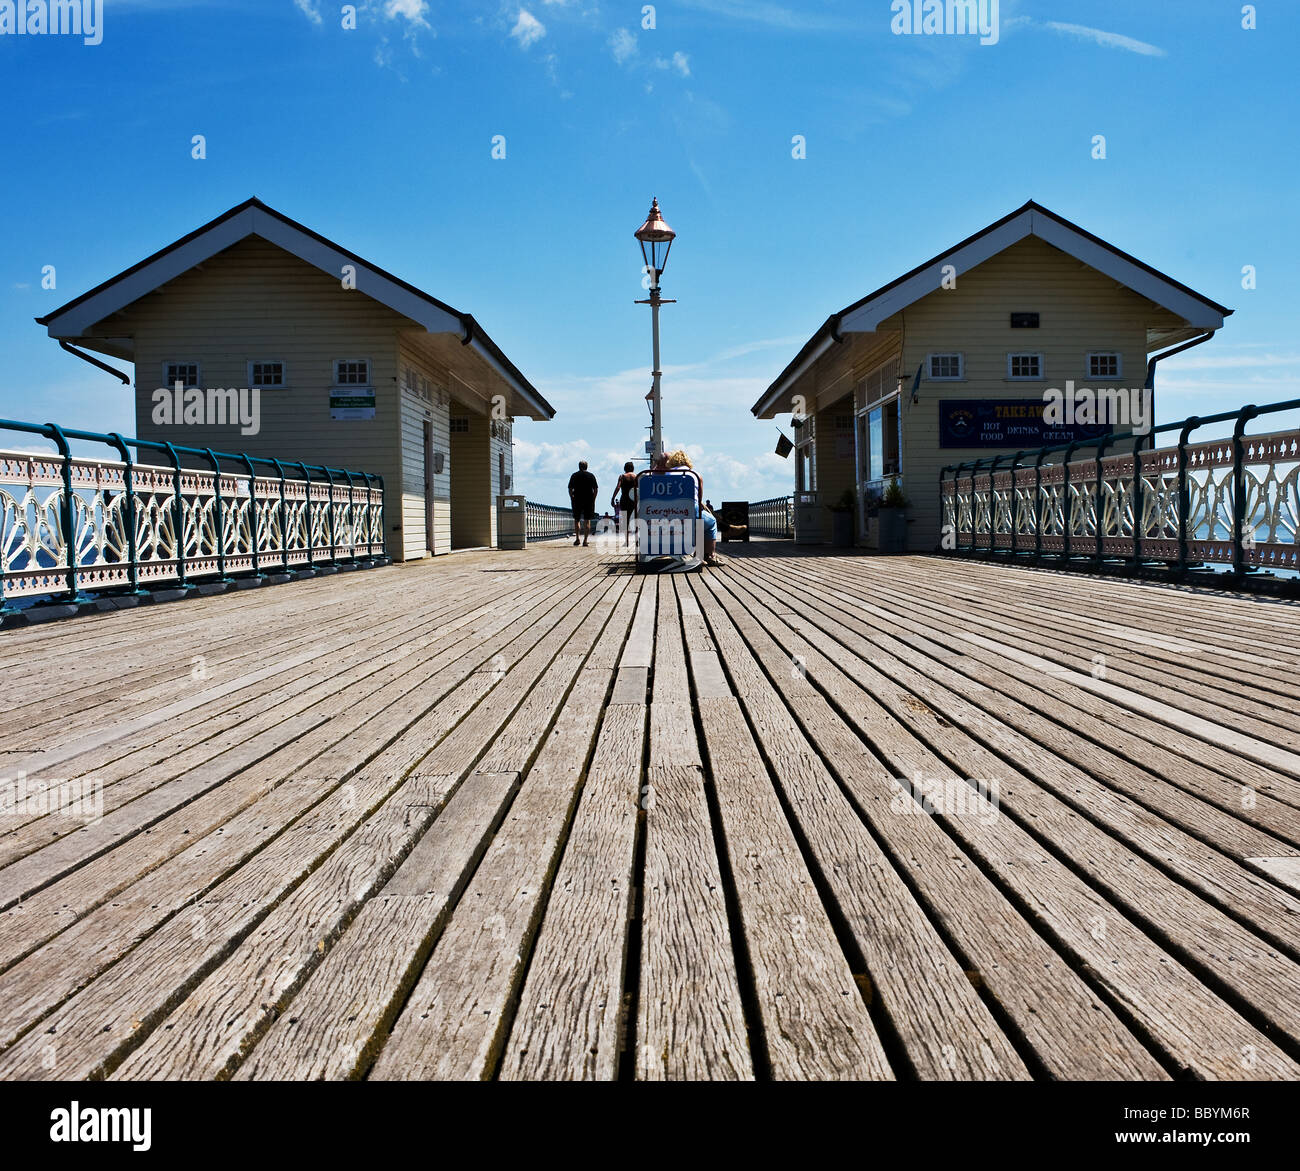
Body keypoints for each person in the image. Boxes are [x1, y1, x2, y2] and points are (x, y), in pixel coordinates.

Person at [567, 460, 598, 547]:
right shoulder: (591, 475)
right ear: (586, 467)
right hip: (588, 500)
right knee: (587, 520)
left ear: (579, 466)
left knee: (576, 520)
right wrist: (593, 499)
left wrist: (572, 498)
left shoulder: (574, 475)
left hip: (577, 499)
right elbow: (595, 489)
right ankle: (585, 540)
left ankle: (577, 539)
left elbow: (570, 488)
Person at [612, 461, 638, 548]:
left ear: (625, 468)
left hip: (624, 499)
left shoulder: (622, 476)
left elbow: (618, 487)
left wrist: (613, 498)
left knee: (625, 521)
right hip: (634, 500)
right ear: (633, 468)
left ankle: (626, 541)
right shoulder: (636, 476)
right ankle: (637, 540)